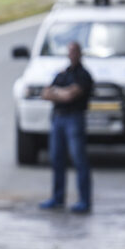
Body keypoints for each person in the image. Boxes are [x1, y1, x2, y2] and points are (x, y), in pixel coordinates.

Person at [40, 41, 95, 214]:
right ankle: (58, 197)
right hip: (58, 119)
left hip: (74, 119)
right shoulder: (63, 74)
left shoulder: (84, 75)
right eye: (69, 52)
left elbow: (70, 96)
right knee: (57, 159)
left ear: (80, 54)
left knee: (79, 159)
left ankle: (84, 200)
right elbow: (45, 93)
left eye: (75, 52)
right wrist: (60, 94)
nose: (72, 55)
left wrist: (58, 93)